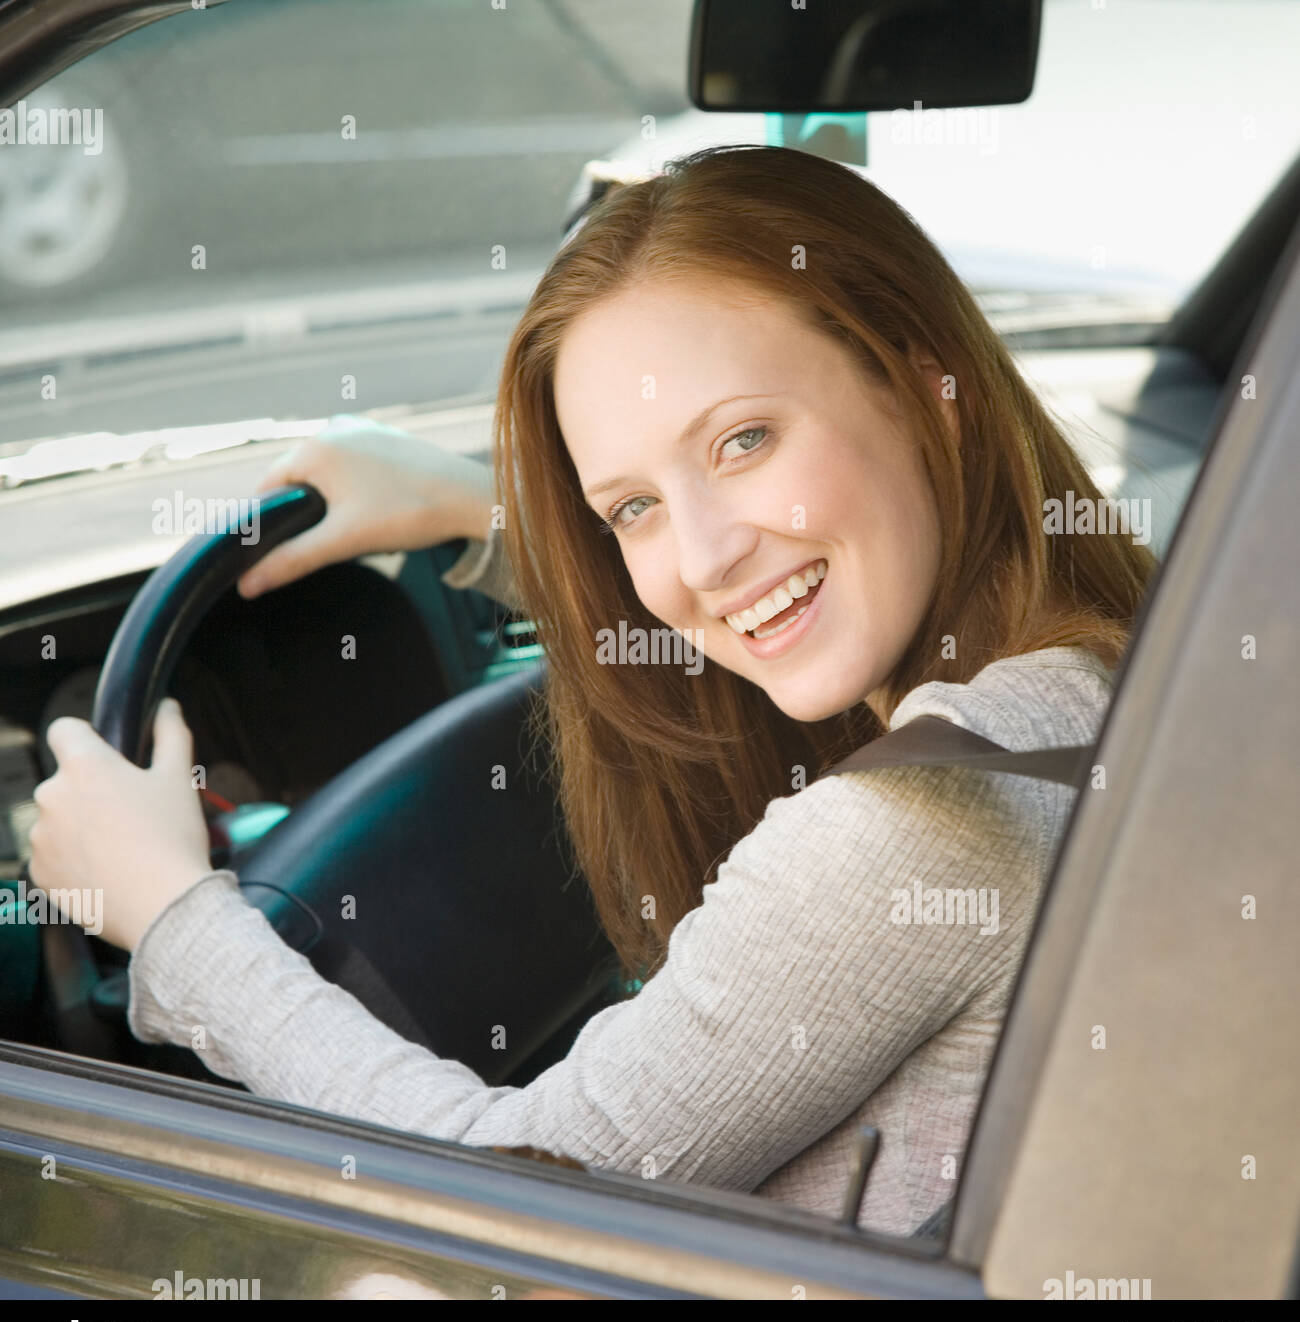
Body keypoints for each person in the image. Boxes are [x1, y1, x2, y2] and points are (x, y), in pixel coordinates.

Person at [28, 145, 1153, 1238]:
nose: (702, 560)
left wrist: (171, 915)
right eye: (630, 509)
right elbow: (739, 591)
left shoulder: (922, 827)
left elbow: (510, 1200)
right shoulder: (1124, 661)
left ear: (924, 388)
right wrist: (482, 515)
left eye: (743, 440)